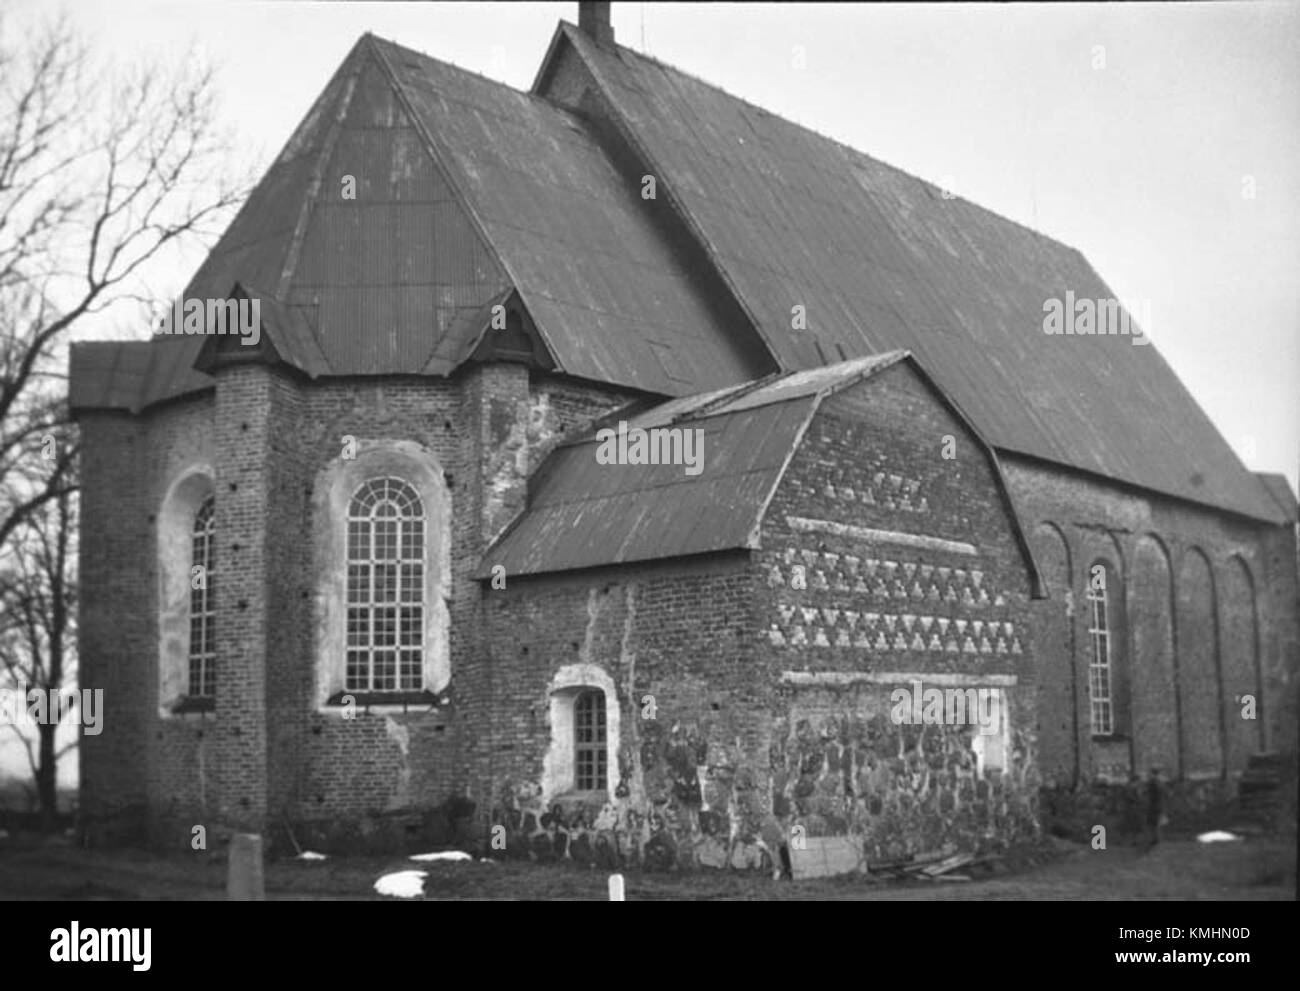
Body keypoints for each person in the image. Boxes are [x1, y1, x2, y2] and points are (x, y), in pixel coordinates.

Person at [1144, 767, 1165, 850]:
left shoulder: (1153, 782)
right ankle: (1156, 839)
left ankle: (1155, 839)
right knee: (1155, 823)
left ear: (1152, 773)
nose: (1148, 775)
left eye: (1149, 773)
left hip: (1153, 805)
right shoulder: (1160, 782)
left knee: (1152, 823)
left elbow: (1150, 794)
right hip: (1158, 805)